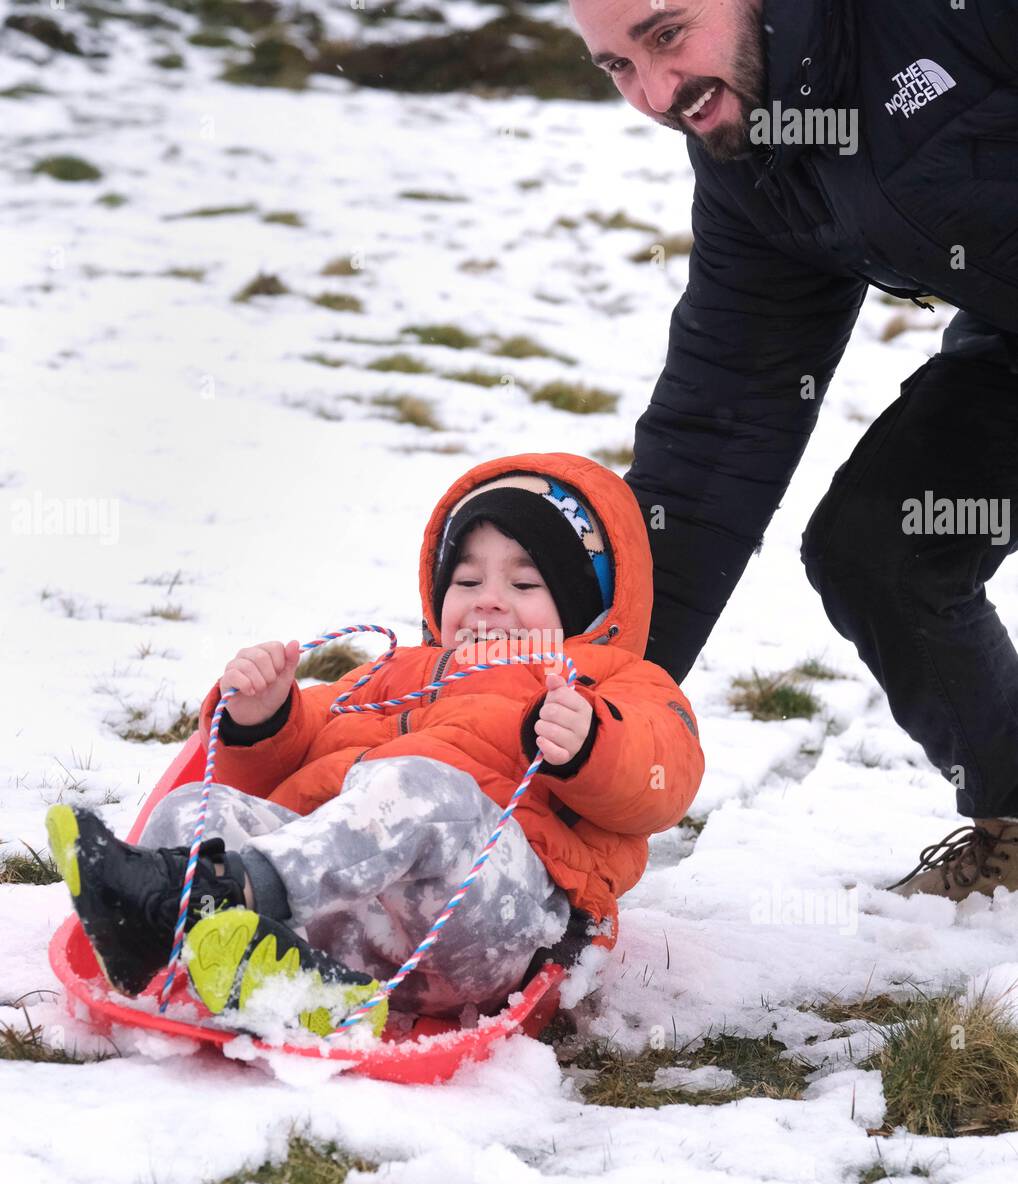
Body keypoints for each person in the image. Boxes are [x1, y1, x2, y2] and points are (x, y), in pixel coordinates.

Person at [569, 0, 1018, 901]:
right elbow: (713, 445)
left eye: (665, 34)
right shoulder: (758, 165)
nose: (658, 94)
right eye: (617, 66)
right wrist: (582, 705)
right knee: (880, 550)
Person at [45, 452, 704, 1038]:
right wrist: (262, 717)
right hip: (335, 923)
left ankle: (210, 899)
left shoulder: (608, 684)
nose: (488, 602)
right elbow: (279, 768)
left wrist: (591, 743)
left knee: (425, 789)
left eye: (525, 585)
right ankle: (250, 959)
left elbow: (661, 778)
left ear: (587, 609)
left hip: (486, 926)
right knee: (197, 804)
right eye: (467, 582)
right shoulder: (383, 678)